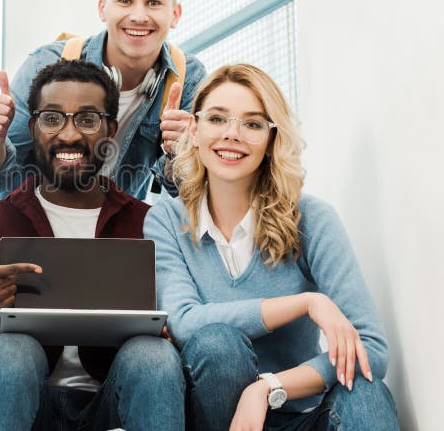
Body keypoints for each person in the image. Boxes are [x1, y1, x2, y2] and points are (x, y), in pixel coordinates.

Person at [144, 64, 398, 430]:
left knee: (366, 391)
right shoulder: (166, 219)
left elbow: (371, 348)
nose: (232, 135)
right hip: (217, 415)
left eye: (252, 123)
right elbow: (183, 321)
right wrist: (306, 303)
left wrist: (267, 387)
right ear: (194, 131)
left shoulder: (311, 218)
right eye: (217, 119)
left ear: (271, 138)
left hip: (301, 414)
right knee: (218, 344)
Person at [0, 60, 185, 431]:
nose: (70, 135)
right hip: (25, 408)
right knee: (14, 350)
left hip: (112, 403)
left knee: (154, 354)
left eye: (88, 120)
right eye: (52, 118)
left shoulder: (150, 226)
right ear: (33, 128)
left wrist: (175, 331)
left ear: (109, 130)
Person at [0, 0, 206, 201]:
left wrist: (183, 154)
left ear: (175, 14)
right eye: (125, 0)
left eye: (153, 2)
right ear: (103, 9)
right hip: (29, 237)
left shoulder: (186, 78)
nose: (139, 15)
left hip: (110, 238)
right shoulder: (46, 64)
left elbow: (188, 192)